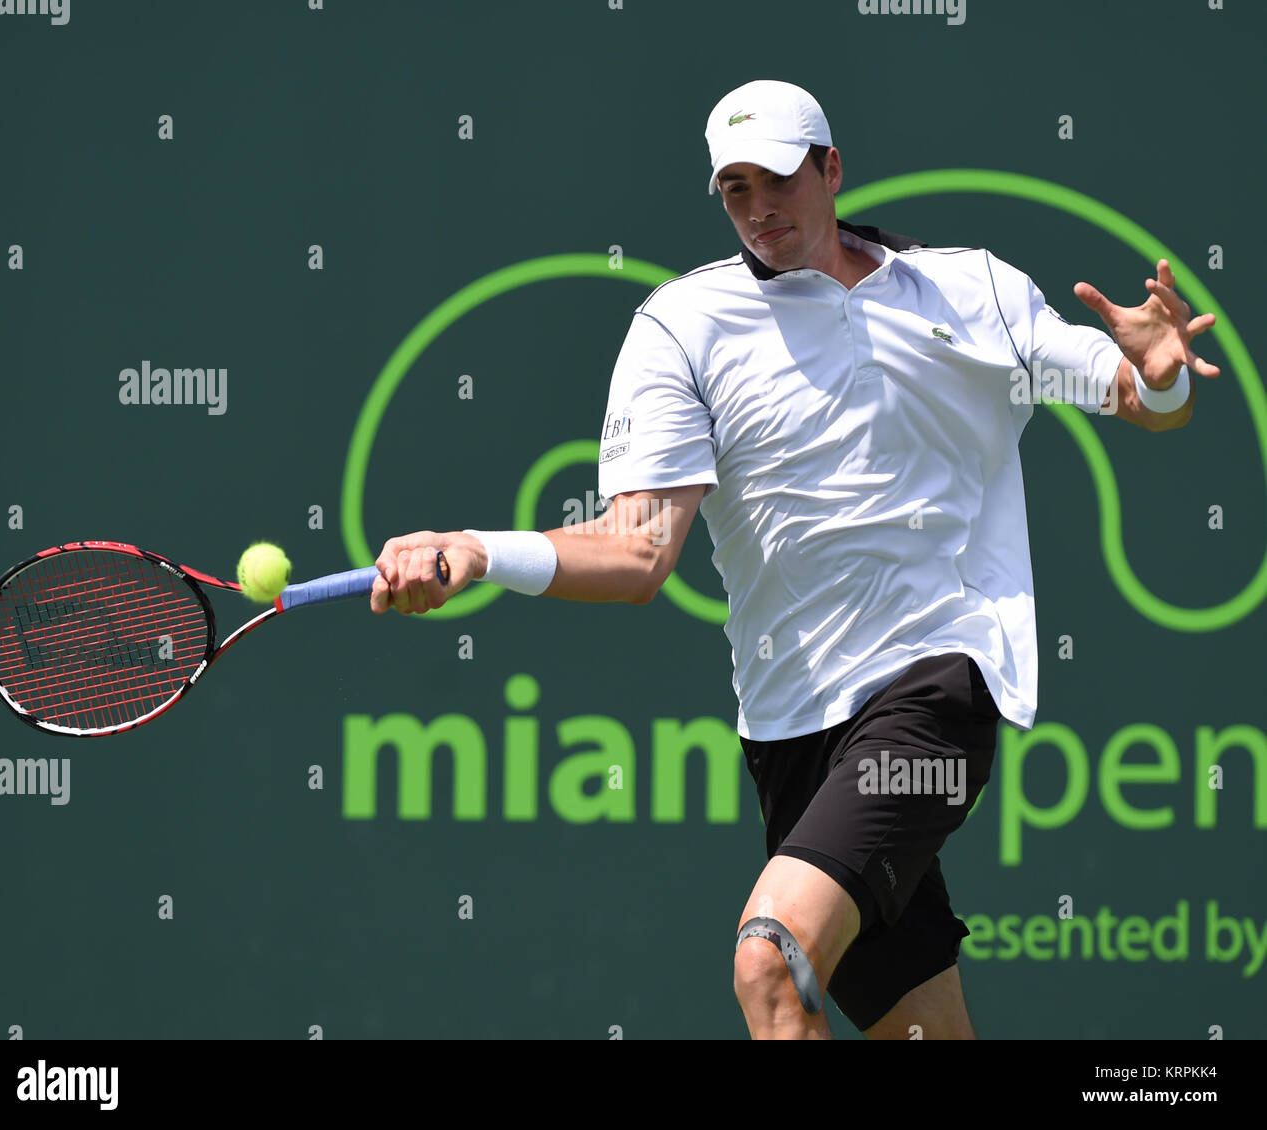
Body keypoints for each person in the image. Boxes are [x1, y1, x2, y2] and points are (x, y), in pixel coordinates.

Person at [367, 79, 1220, 1039]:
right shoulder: (681, 329)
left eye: (776, 179)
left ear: (831, 168)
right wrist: (478, 549)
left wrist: (1162, 375)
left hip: (940, 685)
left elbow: (1145, 398)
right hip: (791, 733)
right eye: (733, 188)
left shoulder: (969, 289)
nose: (758, 209)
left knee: (769, 965)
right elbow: (640, 550)